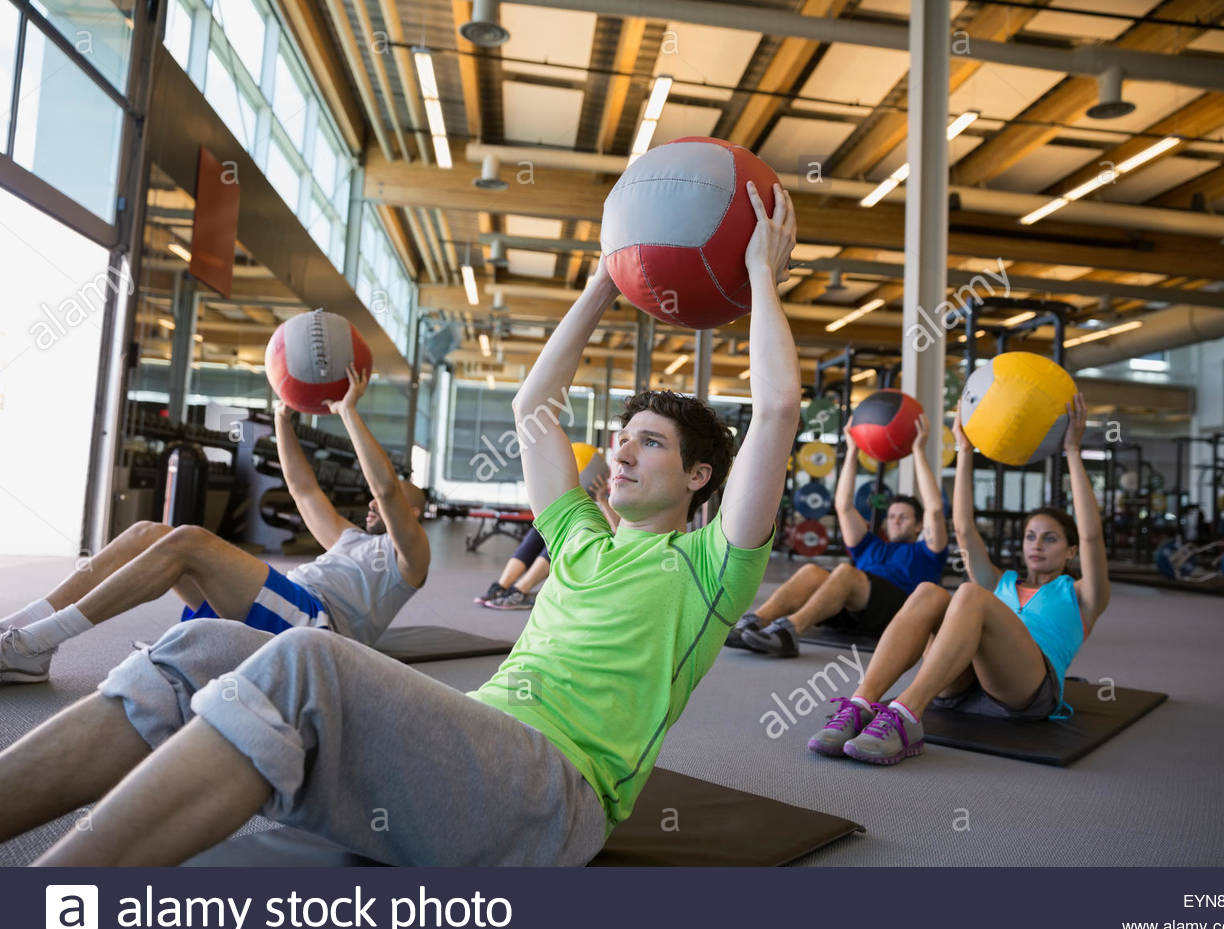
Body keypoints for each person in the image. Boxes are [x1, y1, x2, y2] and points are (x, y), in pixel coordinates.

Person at [0, 180, 800, 866]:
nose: (621, 454)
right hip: (469, 753)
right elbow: (531, 409)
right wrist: (603, 281)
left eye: (648, 445)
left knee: (309, 660)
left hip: (550, 800)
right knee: (199, 645)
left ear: (698, 477)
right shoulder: (578, 538)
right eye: (621, 439)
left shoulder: (710, 565)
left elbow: (775, 412)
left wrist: (761, 276)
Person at [0, 363, 429, 685]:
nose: (373, 503)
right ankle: (22, 625)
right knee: (150, 532)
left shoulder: (409, 557)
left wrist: (349, 411)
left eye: (386, 503)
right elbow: (303, 490)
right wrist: (283, 417)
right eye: (371, 501)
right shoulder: (348, 538)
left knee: (190, 541)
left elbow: (389, 490)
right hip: (277, 601)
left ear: (414, 515)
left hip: (313, 629)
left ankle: (34, 645)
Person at [808, 394, 1109, 765]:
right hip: (965, 685)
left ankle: (906, 716)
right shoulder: (1002, 580)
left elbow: (1093, 535)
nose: (1036, 545)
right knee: (928, 593)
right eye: (1031, 536)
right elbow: (964, 529)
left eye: (1050, 538)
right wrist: (964, 450)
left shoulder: (1081, 595)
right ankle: (860, 704)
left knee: (969, 594)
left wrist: (1073, 453)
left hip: (1026, 692)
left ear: (1071, 551)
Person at [728, 414, 948, 658]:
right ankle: (754, 622)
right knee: (812, 571)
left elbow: (935, 509)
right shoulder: (871, 546)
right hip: (854, 608)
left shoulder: (927, 552)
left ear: (919, 526)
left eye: (904, 517)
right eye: (892, 516)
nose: (895, 521)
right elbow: (843, 506)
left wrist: (918, 451)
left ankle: (790, 630)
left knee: (845, 572)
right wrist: (852, 451)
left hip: (898, 611)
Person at [476, 475, 619, 610]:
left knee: (563, 539)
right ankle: (501, 586)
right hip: (586, 532)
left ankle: (518, 592)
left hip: (600, 544)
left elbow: (618, 532)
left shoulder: (629, 497)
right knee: (540, 531)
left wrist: (602, 500)